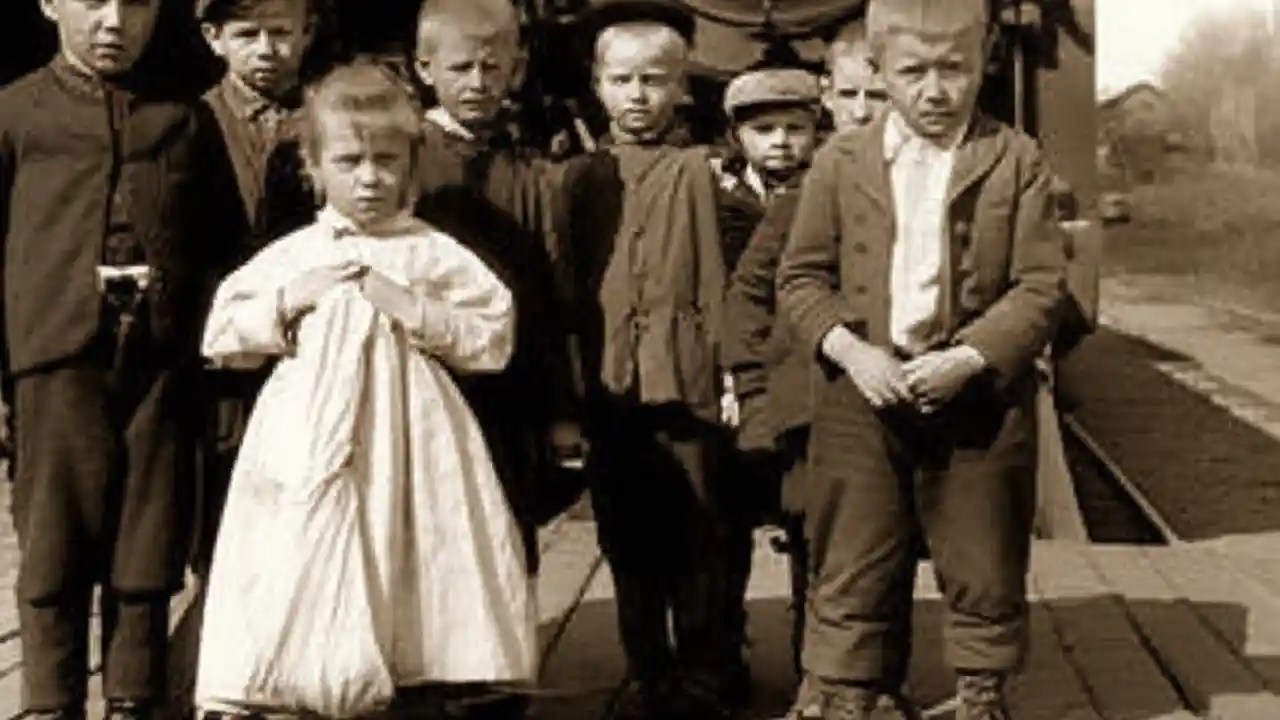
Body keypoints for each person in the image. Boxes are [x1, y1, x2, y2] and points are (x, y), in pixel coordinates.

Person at [193, 61, 535, 720]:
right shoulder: (297, 254)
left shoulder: (432, 252)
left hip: (411, 434)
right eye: (350, 161)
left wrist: (412, 307)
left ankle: (418, 667)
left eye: (386, 160)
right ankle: (299, 672)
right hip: (304, 433)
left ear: (410, 167)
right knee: (299, 543)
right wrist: (289, 302)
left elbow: (491, 335)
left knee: (410, 541)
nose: (370, 177)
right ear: (314, 169)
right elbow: (221, 335)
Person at [777, 0, 1069, 716]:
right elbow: (802, 276)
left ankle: (979, 693)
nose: (935, 92)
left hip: (975, 397)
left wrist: (971, 356)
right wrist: (851, 351)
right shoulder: (840, 162)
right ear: (879, 72)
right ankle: (849, 693)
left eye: (955, 70)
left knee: (982, 553)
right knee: (853, 551)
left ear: (986, 63)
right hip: (863, 392)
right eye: (913, 73)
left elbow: (1041, 284)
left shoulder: (1015, 159)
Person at [0, 0, 238, 717]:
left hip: (161, 371)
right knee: (54, 544)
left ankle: (137, 699)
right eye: (93, 0)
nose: (114, 22)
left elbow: (220, 249)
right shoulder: (15, 114)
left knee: (148, 544)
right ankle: (49, 703)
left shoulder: (184, 120)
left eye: (135, 4)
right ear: (47, 2)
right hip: (53, 363)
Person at [721, 18, 913, 719]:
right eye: (851, 96)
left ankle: (878, 680)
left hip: (887, 396)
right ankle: (820, 679)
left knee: (884, 548)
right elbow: (748, 295)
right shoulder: (811, 190)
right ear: (829, 96)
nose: (863, 113)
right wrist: (752, 389)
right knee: (816, 546)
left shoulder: (915, 181)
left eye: (879, 97)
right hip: (813, 401)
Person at [558, 3, 731, 718]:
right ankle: (645, 668)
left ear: (681, 86)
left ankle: (703, 671)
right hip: (610, 383)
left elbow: (725, 276)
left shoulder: (706, 170)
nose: (638, 96)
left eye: (655, 80)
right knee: (626, 536)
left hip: (687, 379)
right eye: (622, 80)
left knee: (699, 531)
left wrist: (728, 374)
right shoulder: (576, 177)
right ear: (598, 86)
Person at [411, 0, 582, 583]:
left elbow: (547, 293)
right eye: (460, 69)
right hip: (428, 376)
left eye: (492, 68)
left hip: (509, 379)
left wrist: (560, 407)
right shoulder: (408, 156)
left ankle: (499, 663)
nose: (478, 84)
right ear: (424, 66)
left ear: (518, 67)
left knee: (504, 521)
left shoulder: (526, 167)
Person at [192, 0, 318, 577]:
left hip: (307, 348)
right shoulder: (187, 123)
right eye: (247, 34)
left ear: (306, 32)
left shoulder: (327, 119)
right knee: (217, 515)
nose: (266, 48)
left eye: (281, 32)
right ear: (214, 37)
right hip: (216, 355)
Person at [709, 60, 821, 707]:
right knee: (725, 528)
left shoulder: (828, 191)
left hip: (805, 387)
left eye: (794, 127)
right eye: (764, 129)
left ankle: (816, 664)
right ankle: (725, 655)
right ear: (737, 136)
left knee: (814, 530)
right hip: (739, 385)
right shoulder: (718, 200)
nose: (780, 141)